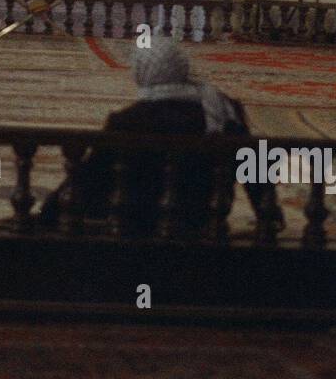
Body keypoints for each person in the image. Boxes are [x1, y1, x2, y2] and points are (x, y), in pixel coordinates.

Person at [38, 37, 275, 234]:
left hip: (139, 227)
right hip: (203, 223)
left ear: (142, 72)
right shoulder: (224, 109)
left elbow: (90, 178)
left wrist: (45, 215)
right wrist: (268, 216)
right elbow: (253, 164)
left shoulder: (129, 121)